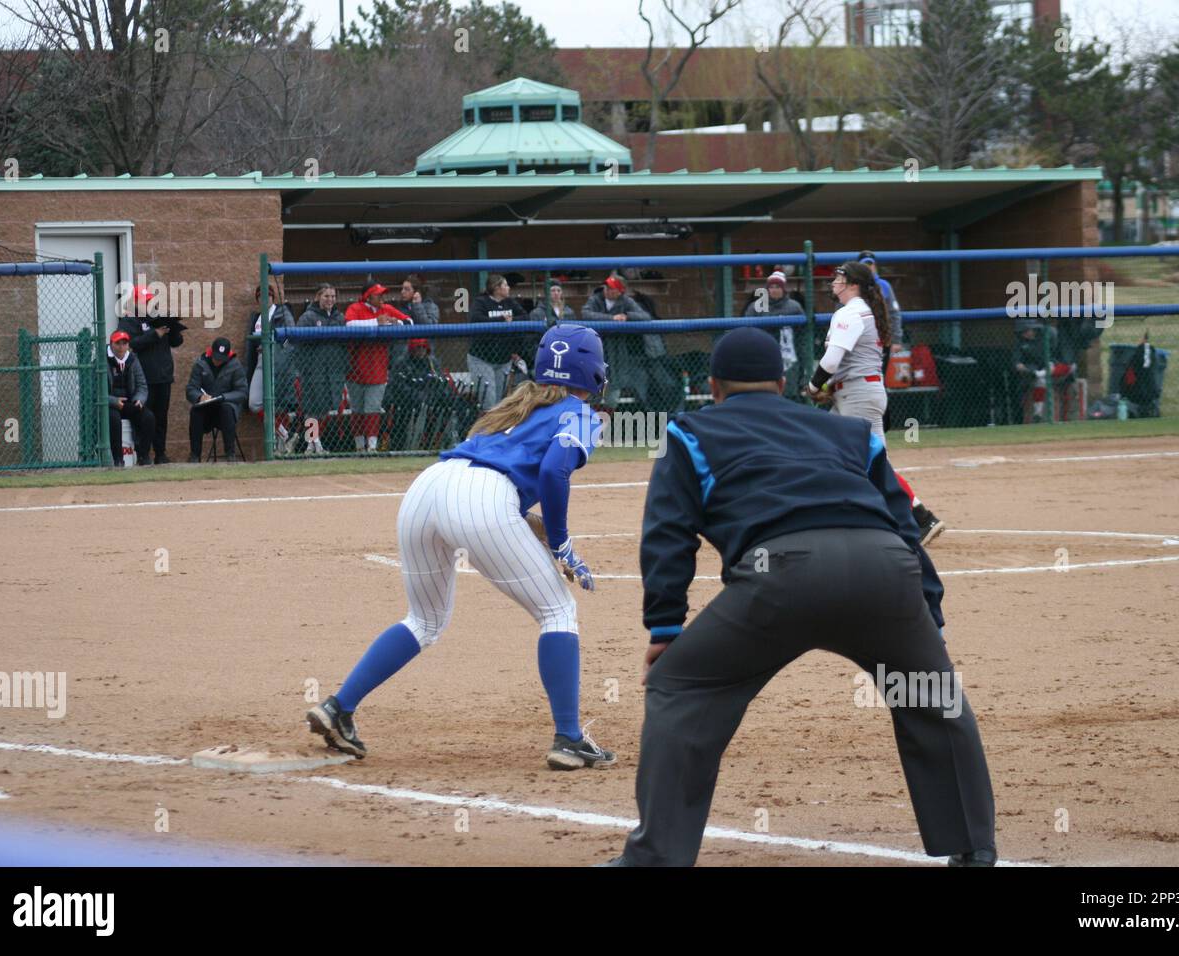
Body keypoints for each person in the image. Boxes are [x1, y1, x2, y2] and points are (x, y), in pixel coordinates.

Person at [601, 327, 996, 867]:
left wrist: (666, 629)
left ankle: (656, 859)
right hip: (885, 569)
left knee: (681, 686)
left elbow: (668, 535)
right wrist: (929, 618)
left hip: (780, 575)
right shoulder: (849, 431)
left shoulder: (689, 430)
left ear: (713, 386)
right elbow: (906, 526)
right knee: (933, 697)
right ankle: (974, 848)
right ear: (783, 383)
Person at [306, 325, 616, 771]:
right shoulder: (580, 414)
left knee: (424, 619)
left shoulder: (515, 404)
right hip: (481, 498)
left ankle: (338, 707)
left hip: (428, 488)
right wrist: (563, 542)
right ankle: (568, 738)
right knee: (557, 612)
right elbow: (550, 473)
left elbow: (490, 486)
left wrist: (540, 530)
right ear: (593, 371)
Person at [805, 262, 945, 546]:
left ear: (853, 284)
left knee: (873, 462)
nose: (834, 283)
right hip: (856, 392)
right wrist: (831, 387)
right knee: (828, 451)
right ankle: (847, 516)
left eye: (840, 278)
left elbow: (831, 361)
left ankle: (919, 517)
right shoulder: (861, 312)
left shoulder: (851, 312)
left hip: (858, 395)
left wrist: (812, 385)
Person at [115, 285, 182, 464]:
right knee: (144, 417)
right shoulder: (129, 320)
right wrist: (155, 334)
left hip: (163, 376)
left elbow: (177, 342)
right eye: (144, 301)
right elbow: (129, 344)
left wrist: (173, 328)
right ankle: (143, 454)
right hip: (143, 379)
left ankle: (160, 453)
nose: (148, 304)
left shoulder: (158, 317)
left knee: (161, 417)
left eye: (149, 300)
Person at [344, 283, 411, 453]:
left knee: (373, 409)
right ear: (368, 297)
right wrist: (375, 322)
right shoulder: (356, 308)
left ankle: (372, 447)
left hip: (378, 369)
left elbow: (409, 322)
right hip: (355, 370)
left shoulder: (387, 308)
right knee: (357, 410)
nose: (382, 298)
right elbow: (349, 325)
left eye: (382, 295)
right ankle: (359, 447)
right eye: (378, 295)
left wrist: (397, 324)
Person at [581, 275, 658, 407]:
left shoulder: (626, 301)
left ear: (619, 291)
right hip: (596, 347)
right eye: (607, 287)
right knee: (593, 388)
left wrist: (627, 316)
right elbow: (586, 313)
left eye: (612, 288)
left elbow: (645, 316)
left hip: (617, 349)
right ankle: (589, 420)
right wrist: (612, 319)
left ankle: (609, 421)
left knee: (613, 393)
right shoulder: (596, 298)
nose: (607, 290)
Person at [245, 284, 298, 453]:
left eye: (267, 296)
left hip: (279, 362)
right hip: (261, 360)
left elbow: (291, 336)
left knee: (278, 404)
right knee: (254, 402)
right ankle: (284, 434)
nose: (264, 299)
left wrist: (277, 349)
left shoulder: (281, 312)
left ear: (273, 297)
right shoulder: (257, 317)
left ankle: (279, 447)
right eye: (260, 296)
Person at [467, 274, 531, 409]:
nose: (508, 288)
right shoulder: (481, 302)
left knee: (501, 402)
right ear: (496, 288)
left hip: (504, 359)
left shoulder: (510, 302)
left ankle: (497, 429)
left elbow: (526, 317)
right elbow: (476, 319)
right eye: (505, 285)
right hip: (482, 358)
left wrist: (512, 320)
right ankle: (487, 430)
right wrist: (501, 320)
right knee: (489, 403)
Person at [296, 284, 347, 455]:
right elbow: (298, 346)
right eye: (326, 296)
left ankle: (313, 442)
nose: (330, 300)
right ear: (318, 297)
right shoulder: (308, 317)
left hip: (332, 371)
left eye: (333, 296)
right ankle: (313, 443)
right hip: (312, 370)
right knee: (312, 408)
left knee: (325, 408)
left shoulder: (339, 318)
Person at [185, 337, 248, 462]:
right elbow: (191, 388)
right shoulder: (200, 364)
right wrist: (200, 397)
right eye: (215, 357)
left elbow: (242, 392)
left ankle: (230, 454)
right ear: (210, 352)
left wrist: (224, 397)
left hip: (225, 409)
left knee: (226, 409)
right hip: (206, 409)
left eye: (221, 359)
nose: (217, 361)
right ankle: (195, 456)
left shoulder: (235, 365)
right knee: (195, 412)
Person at [742, 270, 803, 397]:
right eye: (771, 287)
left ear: (784, 289)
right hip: (763, 355)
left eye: (778, 287)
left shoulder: (794, 307)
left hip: (788, 356)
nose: (774, 290)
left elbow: (802, 333)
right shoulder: (756, 307)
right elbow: (746, 329)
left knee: (789, 392)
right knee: (764, 392)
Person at [105, 330, 155, 467]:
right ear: (111, 344)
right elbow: (97, 392)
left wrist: (139, 399)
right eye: (118, 343)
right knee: (113, 419)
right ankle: (118, 460)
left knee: (148, 417)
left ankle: (143, 456)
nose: (121, 347)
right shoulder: (102, 360)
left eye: (124, 343)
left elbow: (142, 385)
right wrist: (114, 401)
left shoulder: (132, 359)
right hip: (110, 404)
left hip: (129, 402)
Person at [1013, 319, 1075, 423]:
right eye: (1022, 332)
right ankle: (1038, 412)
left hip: (1055, 368)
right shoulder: (1021, 344)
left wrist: (1040, 373)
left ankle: (1041, 374)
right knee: (1040, 381)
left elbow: (1062, 355)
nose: (1025, 334)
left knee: (1066, 367)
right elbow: (1017, 363)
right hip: (1036, 372)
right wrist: (1027, 369)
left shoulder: (1048, 335)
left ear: (1033, 329)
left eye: (1027, 330)